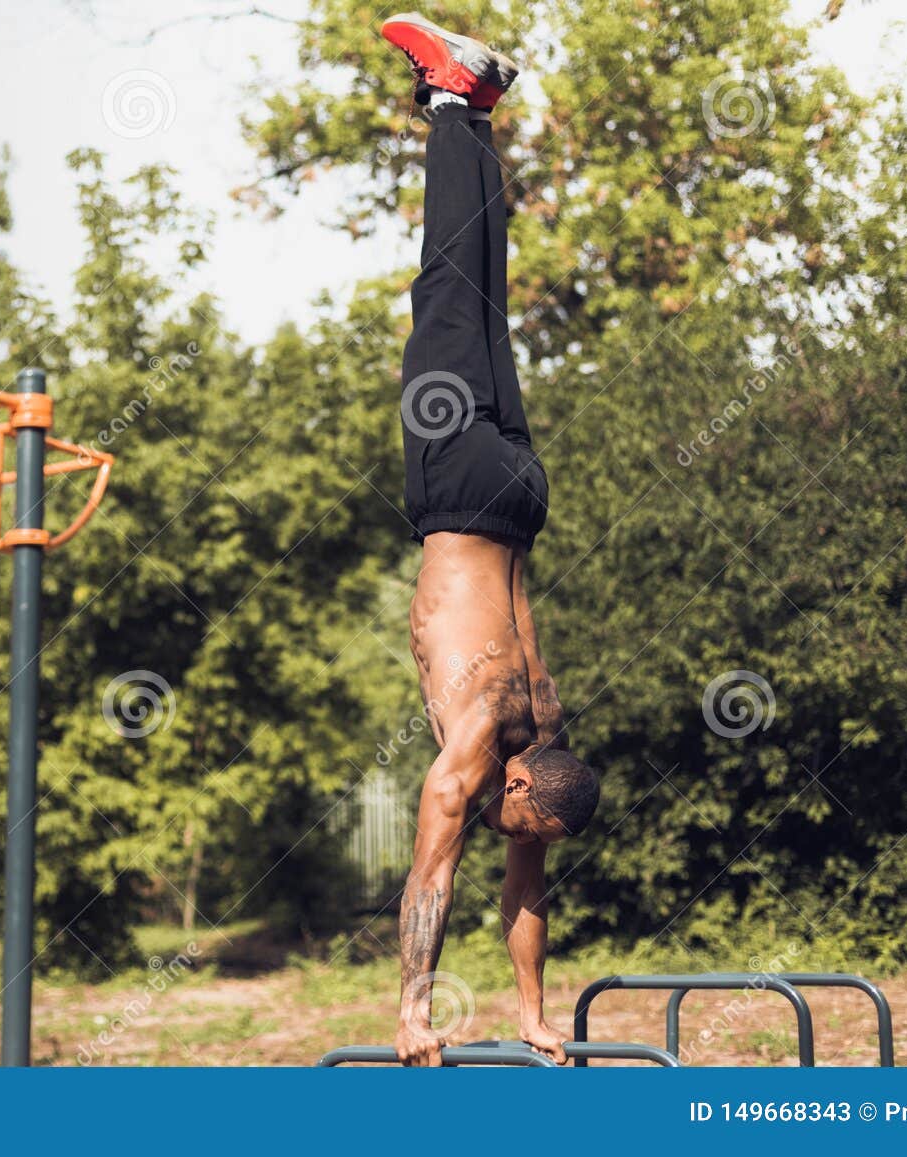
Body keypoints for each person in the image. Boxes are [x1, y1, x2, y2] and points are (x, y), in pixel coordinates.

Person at [378, 13, 602, 1068]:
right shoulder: (480, 749)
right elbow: (432, 873)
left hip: (520, 498)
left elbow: (524, 897)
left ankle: (475, 119)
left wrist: (529, 1012)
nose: (510, 841)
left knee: (486, 304)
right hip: (460, 489)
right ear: (525, 787)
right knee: (445, 292)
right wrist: (413, 1008)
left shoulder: (548, 725)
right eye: (516, 824)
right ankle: (450, 99)